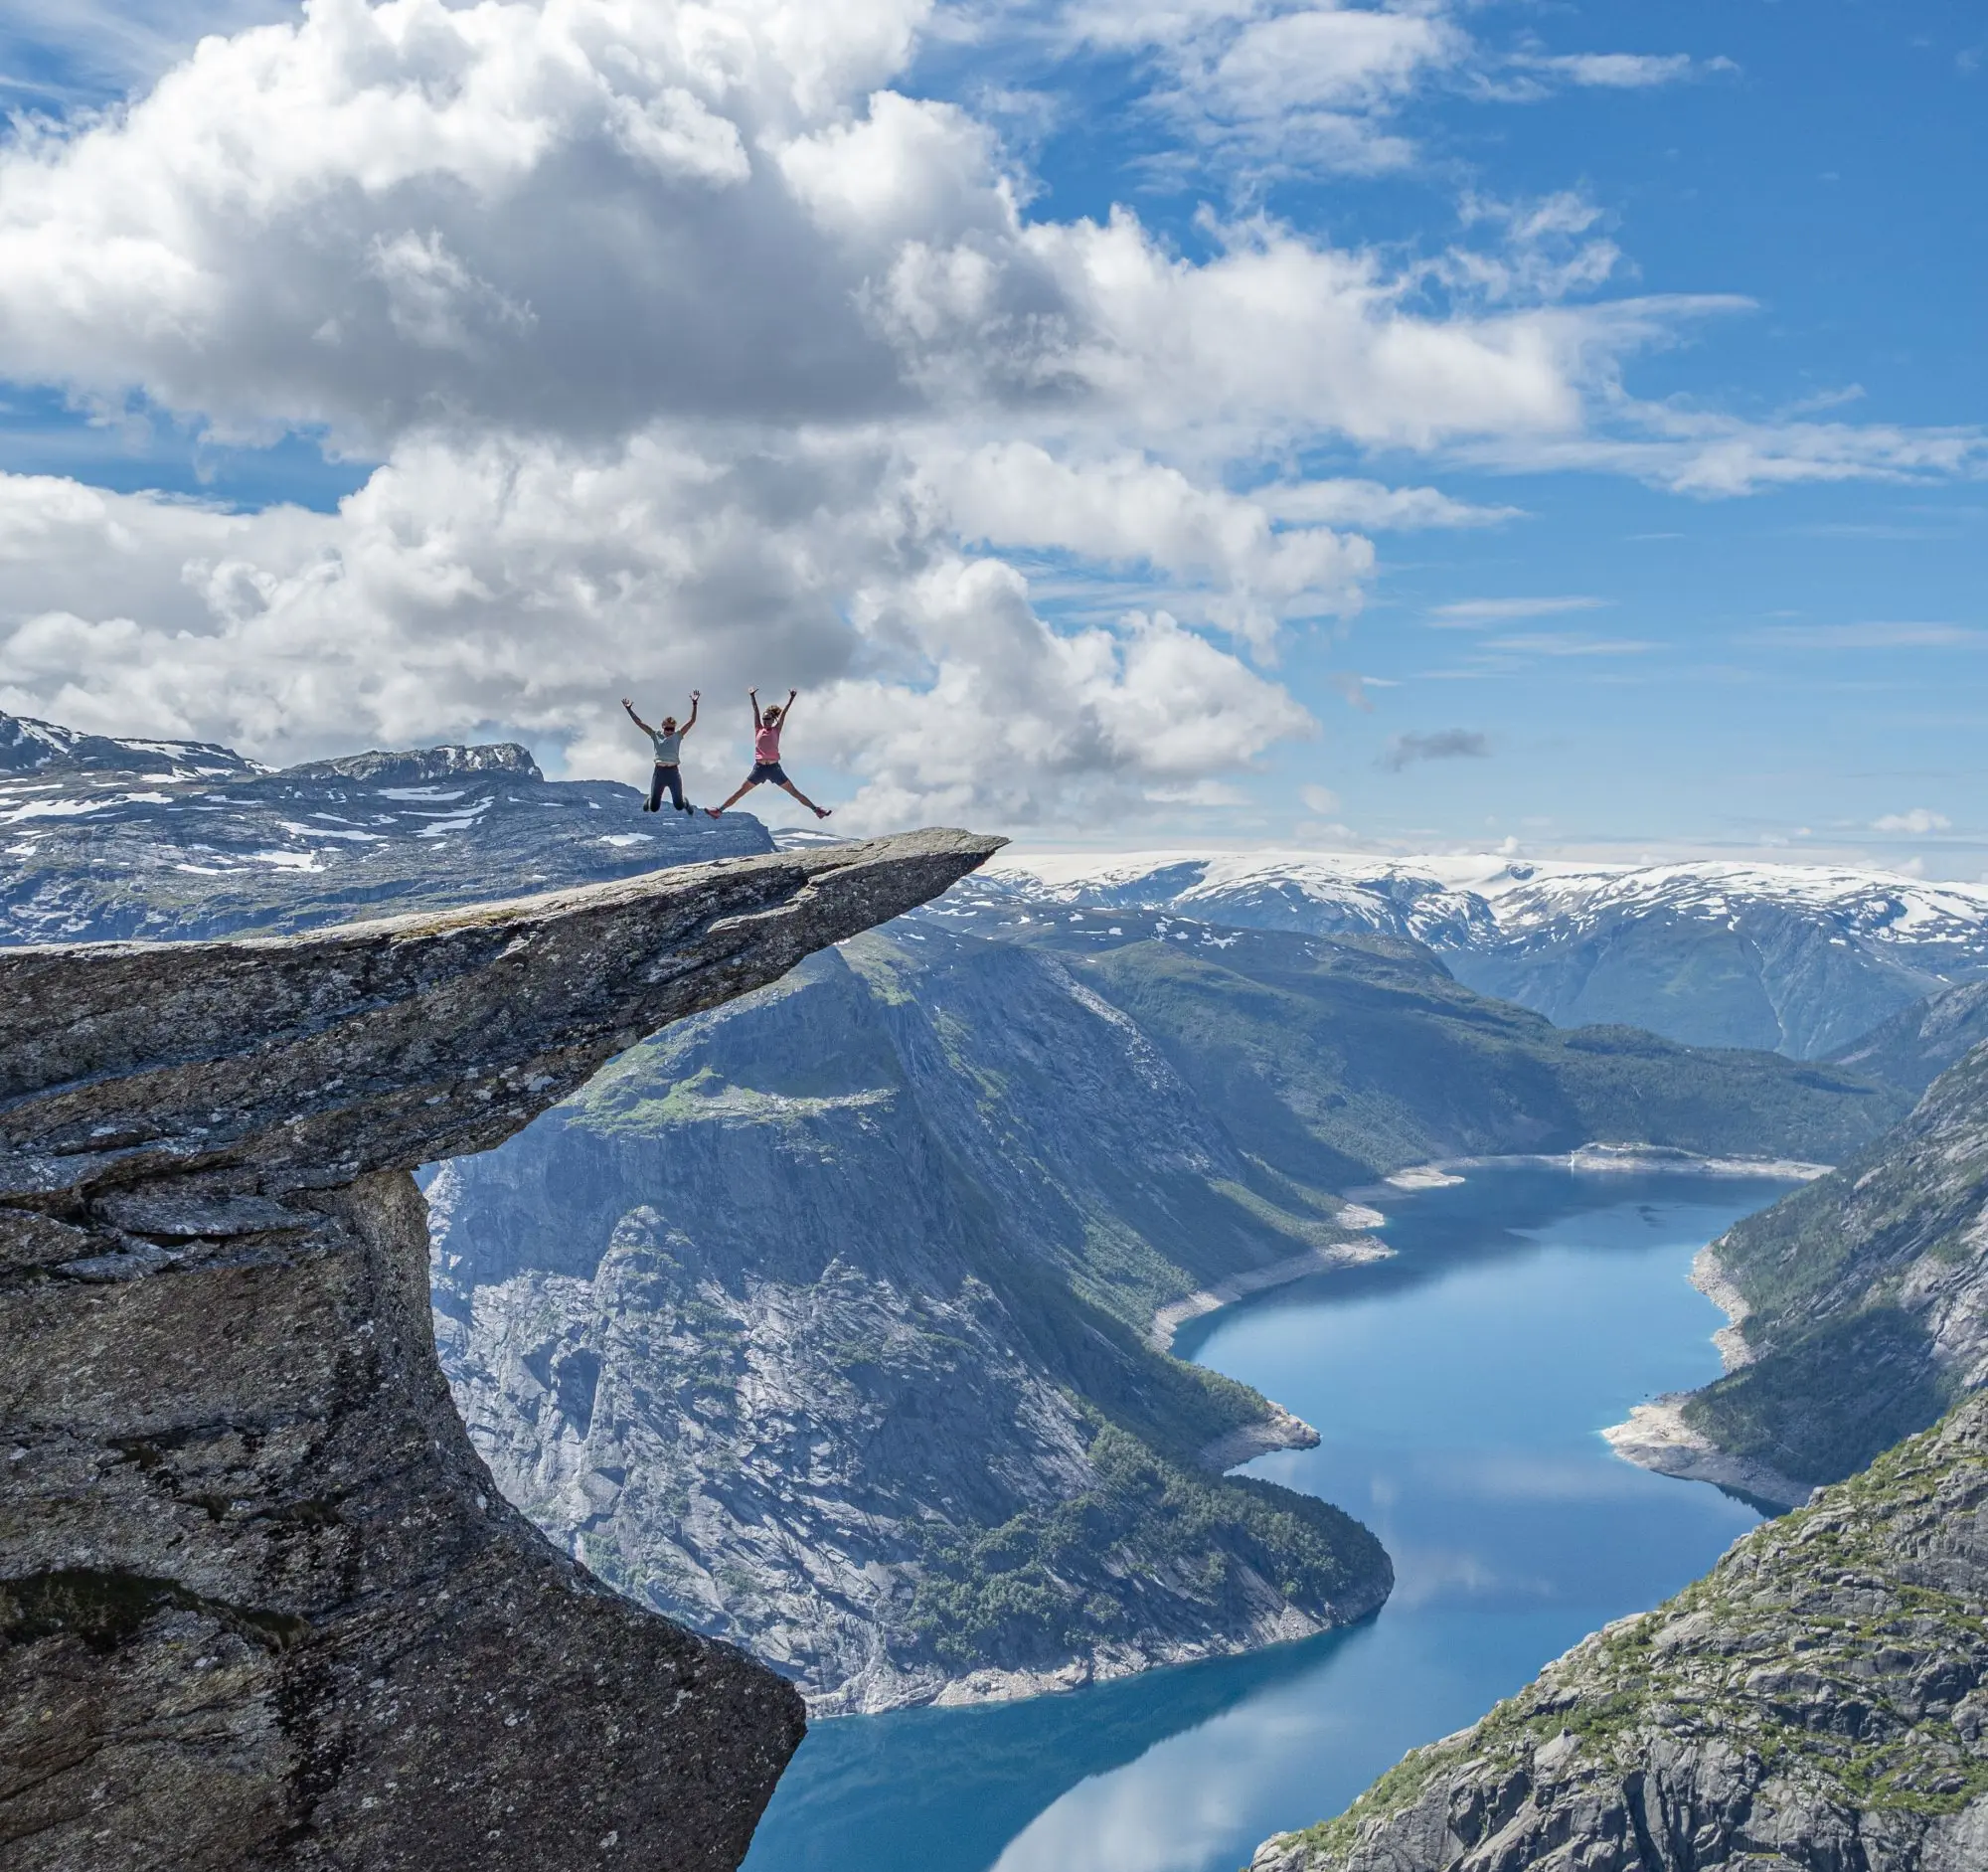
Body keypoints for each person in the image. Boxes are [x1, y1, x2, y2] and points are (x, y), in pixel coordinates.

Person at [707, 687, 831, 820]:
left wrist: (791, 698)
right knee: (740, 792)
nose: (766, 721)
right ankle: (719, 811)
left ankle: (816, 810)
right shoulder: (758, 729)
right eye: (764, 719)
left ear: (773, 720)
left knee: (794, 792)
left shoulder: (776, 729)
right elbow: (755, 710)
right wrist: (752, 696)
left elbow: (784, 713)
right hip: (759, 769)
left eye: (768, 719)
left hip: (774, 768)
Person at [622, 691, 699, 813]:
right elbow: (639, 723)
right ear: (663, 726)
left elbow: (692, 721)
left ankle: (685, 801)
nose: (670, 731)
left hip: (673, 772)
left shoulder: (678, 735)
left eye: (672, 729)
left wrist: (695, 703)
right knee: (654, 808)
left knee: (679, 806)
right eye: (667, 728)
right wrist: (629, 709)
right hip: (659, 772)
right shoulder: (655, 734)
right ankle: (650, 799)